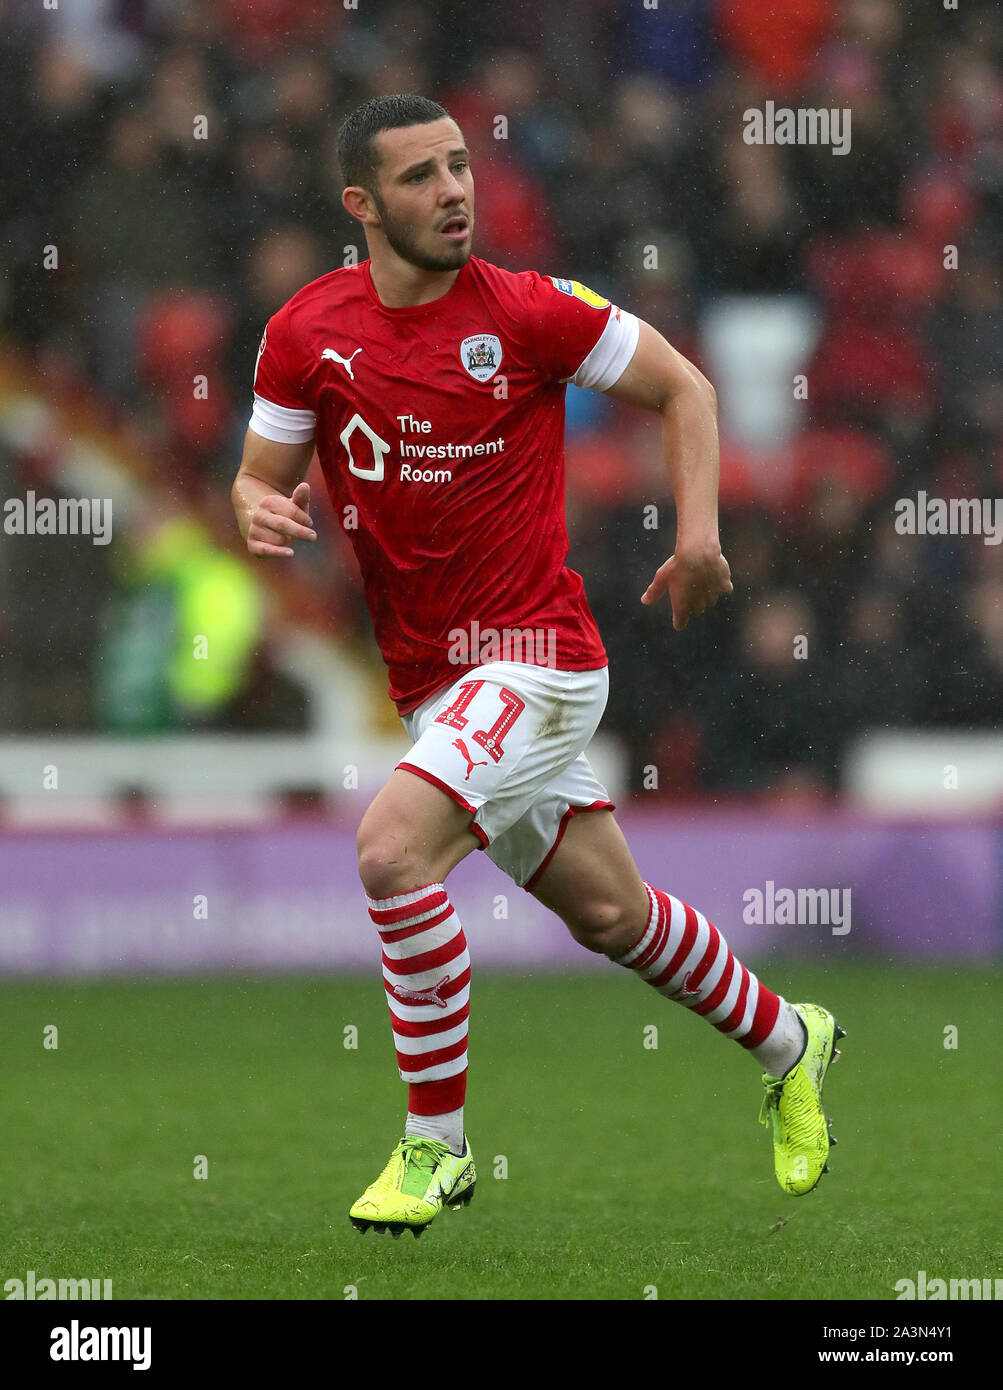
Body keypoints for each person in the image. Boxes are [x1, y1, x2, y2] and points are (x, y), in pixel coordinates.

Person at [231, 94, 844, 1239]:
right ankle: (789, 1038)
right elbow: (261, 471)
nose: (453, 190)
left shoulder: (528, 312)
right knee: (613, 915)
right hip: (434, 685)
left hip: (536, 658)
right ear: (360, 204)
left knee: (389, 851)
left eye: (460, 167)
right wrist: (258, 507)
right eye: (419, 177)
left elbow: (685, 388)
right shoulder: (303, 333)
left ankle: (437, 1150)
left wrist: (699, 533)